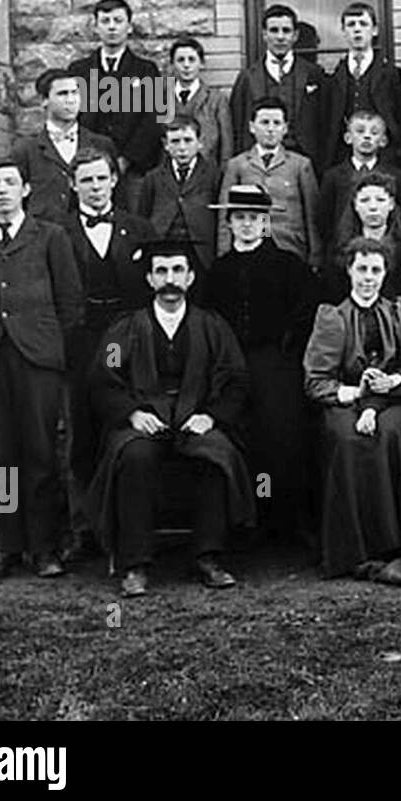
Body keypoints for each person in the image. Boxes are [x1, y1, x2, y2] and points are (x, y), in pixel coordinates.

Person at [87, 239, 254, 596]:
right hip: (143, 422)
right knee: (134, 457)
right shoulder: (124, 330)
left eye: (178, 270)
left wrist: (211, 416)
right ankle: (135, 564)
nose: (170, 279)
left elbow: (236, 378)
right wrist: (131, 412)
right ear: (149, 278)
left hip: (197, 420)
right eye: (161, 271)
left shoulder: (213, 327)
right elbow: (105, 377)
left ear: (191, 277)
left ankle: (208, 556)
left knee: (215, 456)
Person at [0, 157, 84, 581]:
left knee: (40, 451)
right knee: (1, 454)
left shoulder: (50, 236)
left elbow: (71, 302)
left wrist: (44, 341)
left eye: (10, 182)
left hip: (37, 358)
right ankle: (4, 546)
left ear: (25, 190)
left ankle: (44, 547)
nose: (2, 190)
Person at [303, 237, 401, 578]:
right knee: (347, 438)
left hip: (393, 400)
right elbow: (316, 380)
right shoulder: (332, 318)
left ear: (386, 273)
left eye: (375, 270)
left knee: (396, 431)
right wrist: (355, 394)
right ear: (349, 271)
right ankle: (351, 550)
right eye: (362, 269)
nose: (368, 277)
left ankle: (399, 544)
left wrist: (394, 382)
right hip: (345, 399)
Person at [204, 185, 318, 544]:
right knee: (242, 439)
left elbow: (306, 314)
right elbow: (209, 321)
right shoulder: (218, 271)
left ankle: (283, 522)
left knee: (279, 441)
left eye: (254, 218)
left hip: (276, 366)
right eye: (240, 218)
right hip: (231, 367)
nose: (248, 225)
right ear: (230, 224)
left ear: (266, 223)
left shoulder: (289, 267)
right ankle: (248, 522)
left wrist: (285, 349)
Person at [58, 147, 154, 562]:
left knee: (126, 424)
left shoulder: (139, 228)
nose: (96, 188)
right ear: (73, 185)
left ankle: (129, 526)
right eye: (87, 180)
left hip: (125, 342)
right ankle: (84, 528)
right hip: (79, 341)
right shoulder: (56, 233)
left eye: (102, 179)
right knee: (81, 431)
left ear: (114, 181)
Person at [0, 68, 118, 229]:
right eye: (62, 94)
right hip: (42, 239)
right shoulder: (25, 150)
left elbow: (118, 197)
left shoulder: (101, 145)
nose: (71, 100)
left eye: (75, 93)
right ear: (44, 100)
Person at [68, 0, 162, 208]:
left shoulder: (147, 70)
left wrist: (126, 160)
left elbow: (155, 120)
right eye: (105, 21)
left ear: (129, 27)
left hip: (134, 169)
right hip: (89, 167)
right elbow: (72, 115)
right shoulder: (79, 70)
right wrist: (91, 159)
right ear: (96, 27)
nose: (112, 27)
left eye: (118, 21)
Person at [217, 97, 321, 268]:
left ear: (285, 128)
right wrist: (224, 253)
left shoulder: (300, 165)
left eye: (277, 123)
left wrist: (315, 256)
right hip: (247, 248)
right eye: (264, 122)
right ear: (252, 127)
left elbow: (312, 216)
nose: (271, 129)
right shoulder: (237, 165)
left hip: (290, 248)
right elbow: (225, 215)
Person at [311, 2, 401, 174]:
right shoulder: (332, 77)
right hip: (342, 155)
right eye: (351, 25)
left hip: (384, 155)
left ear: (375, 30)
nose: (357, 30)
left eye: (363, 24)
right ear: (343, 31)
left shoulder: (393, 74)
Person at [228, 3, 323, 163]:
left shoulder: (313, 74)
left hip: (305, 161)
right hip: (259, 164)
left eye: (286, 30)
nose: (280, 37)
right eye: (274, 30)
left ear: (295, 35)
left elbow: (324, 122)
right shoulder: (247, 77)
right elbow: (237, 125)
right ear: (264, 34)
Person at [316, 110, 401, 262]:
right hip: (343, 252)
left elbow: (400, 216)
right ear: (348, 137)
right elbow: (324, 219)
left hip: (387, 251)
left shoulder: (396, 176)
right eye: (360, 131)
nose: (367, 136)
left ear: (383, 140)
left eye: (374, 132)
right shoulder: (333, 176)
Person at [135, 114, 220, 274]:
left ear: (200, 143)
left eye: (188, 140)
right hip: (163, 248)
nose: (182, 148)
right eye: (175, 141)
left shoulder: (214, 175)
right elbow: (142, 217)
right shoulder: (153, 177)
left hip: (200, 251)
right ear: (166, 145)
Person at [317, 171, 401, 304]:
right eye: (365, 200)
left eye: (380, 200)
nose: (373, 207)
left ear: (391, 204)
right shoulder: (340, 246)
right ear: (355, 205)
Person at [168, 37, 232, 169]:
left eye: (192, 60)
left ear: (201, 63)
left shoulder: (217, 99)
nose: (186, 65)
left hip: (207, 175)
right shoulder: (161, 97)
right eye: (180, 60)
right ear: (172, 65)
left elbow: (226, 146)